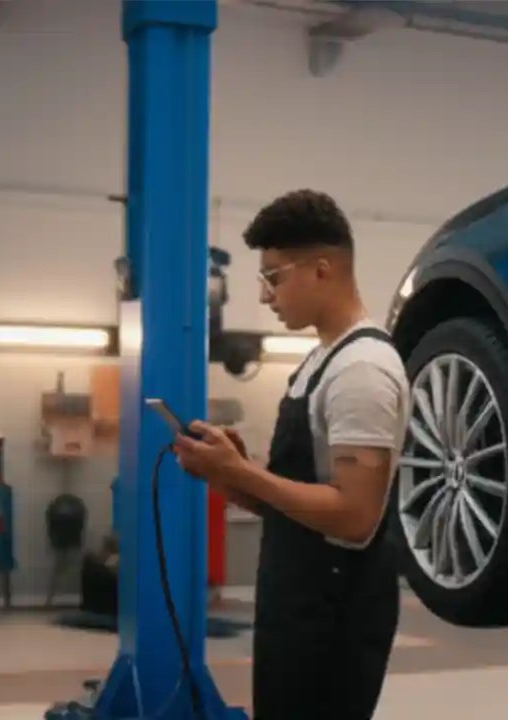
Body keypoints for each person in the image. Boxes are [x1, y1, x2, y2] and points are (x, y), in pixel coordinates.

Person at [172, 189, 411, 719]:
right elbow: (297, 506)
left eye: (274, 277)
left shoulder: (362, 369)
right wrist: (230, 475)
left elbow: (354, 516)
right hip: (296, 606)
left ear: (322, 269)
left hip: (332, 618)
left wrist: (243, 475)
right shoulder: (318, 363)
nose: (264, 296)